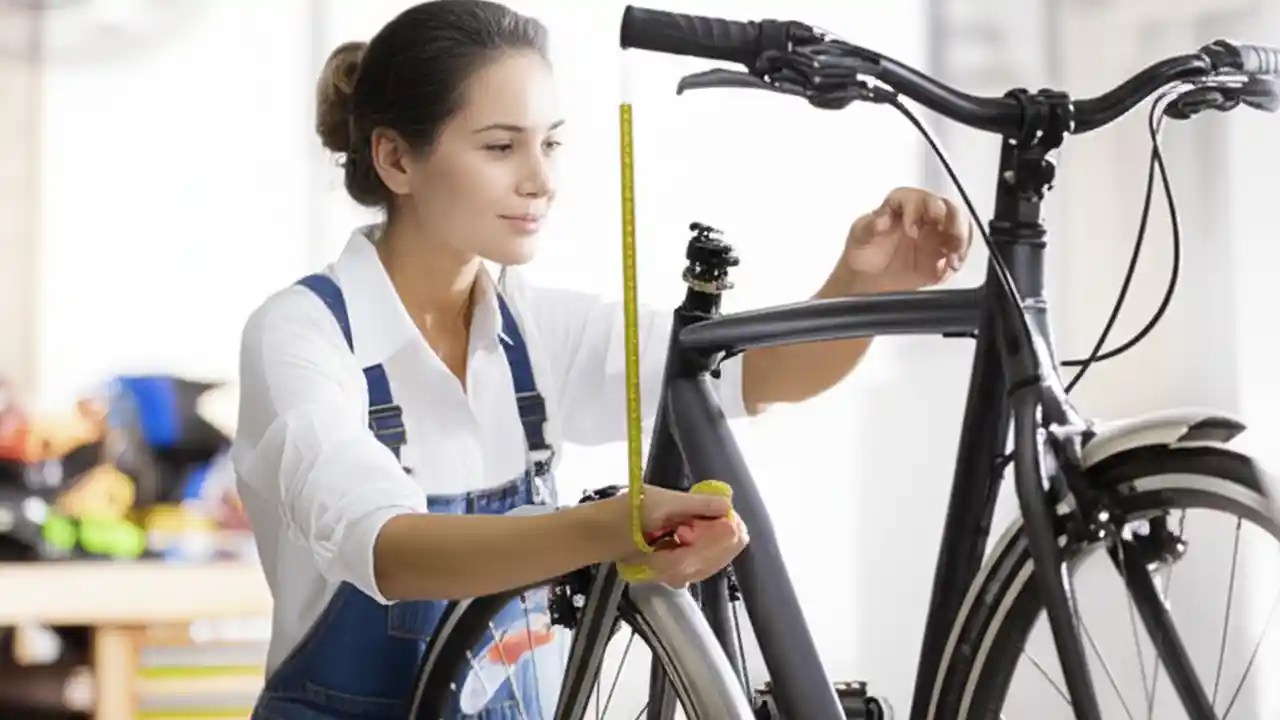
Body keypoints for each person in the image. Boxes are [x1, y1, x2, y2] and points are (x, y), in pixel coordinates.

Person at [231, 1, 973, 717]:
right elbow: (389, 551)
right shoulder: (302, 336)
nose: (541, 179)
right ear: (396, 158)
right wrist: (613, 528)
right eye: (500, 146)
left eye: (550, 142)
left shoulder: (532, 329)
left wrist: (861, 284)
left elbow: (754, 377)